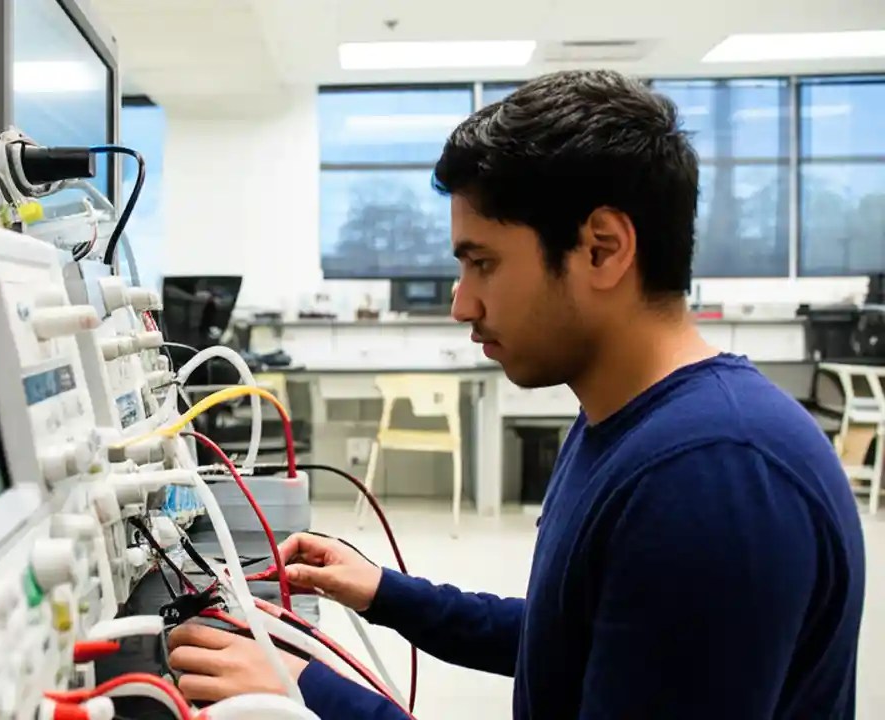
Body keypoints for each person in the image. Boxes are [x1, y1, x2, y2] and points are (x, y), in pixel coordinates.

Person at [166, 69, 866, 719]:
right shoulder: (620, 426)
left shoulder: (711, 478)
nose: (461, 304)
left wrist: (306, 692)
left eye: (483, 263)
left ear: (601, 249)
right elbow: (572, 637)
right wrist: (387, 593)